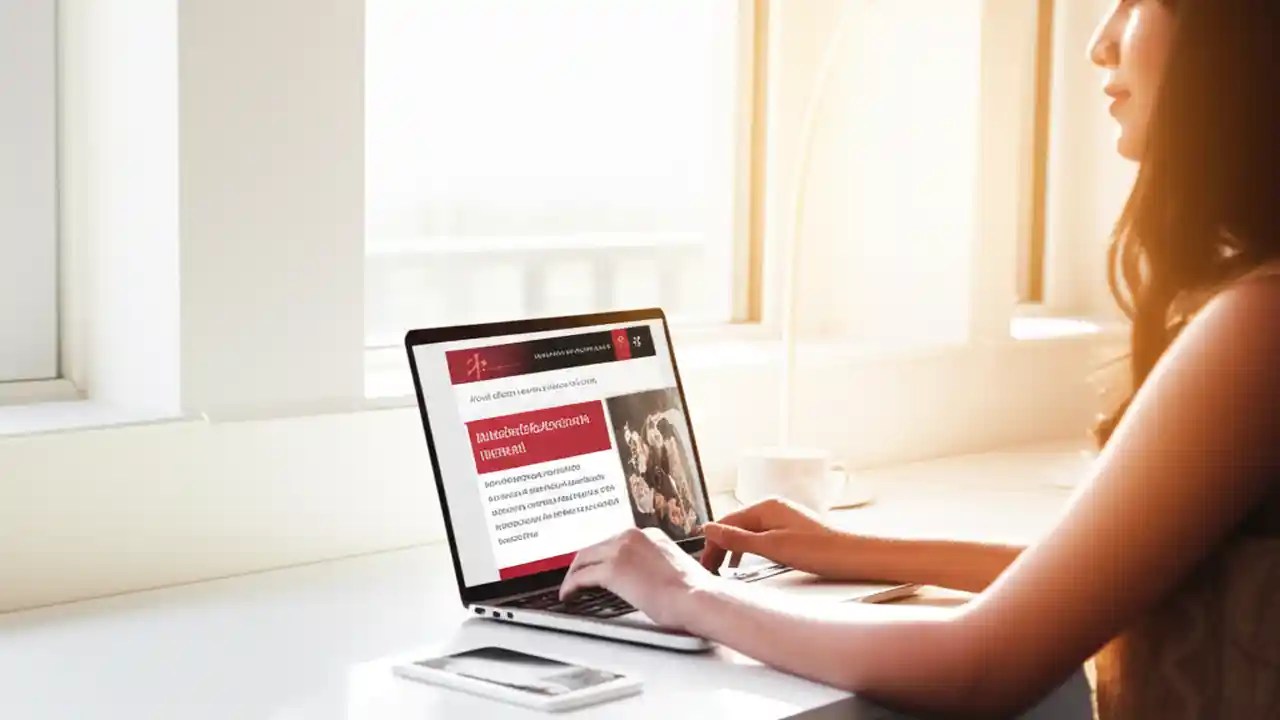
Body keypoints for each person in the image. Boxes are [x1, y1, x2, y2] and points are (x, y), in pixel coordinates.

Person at [559, 1, 1280, 717]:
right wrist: (856, 549)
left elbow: (983, 666)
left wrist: (691, 597)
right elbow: (1099, 579)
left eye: (1138, 0)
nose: (1100, 43)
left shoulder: (1258, 325)